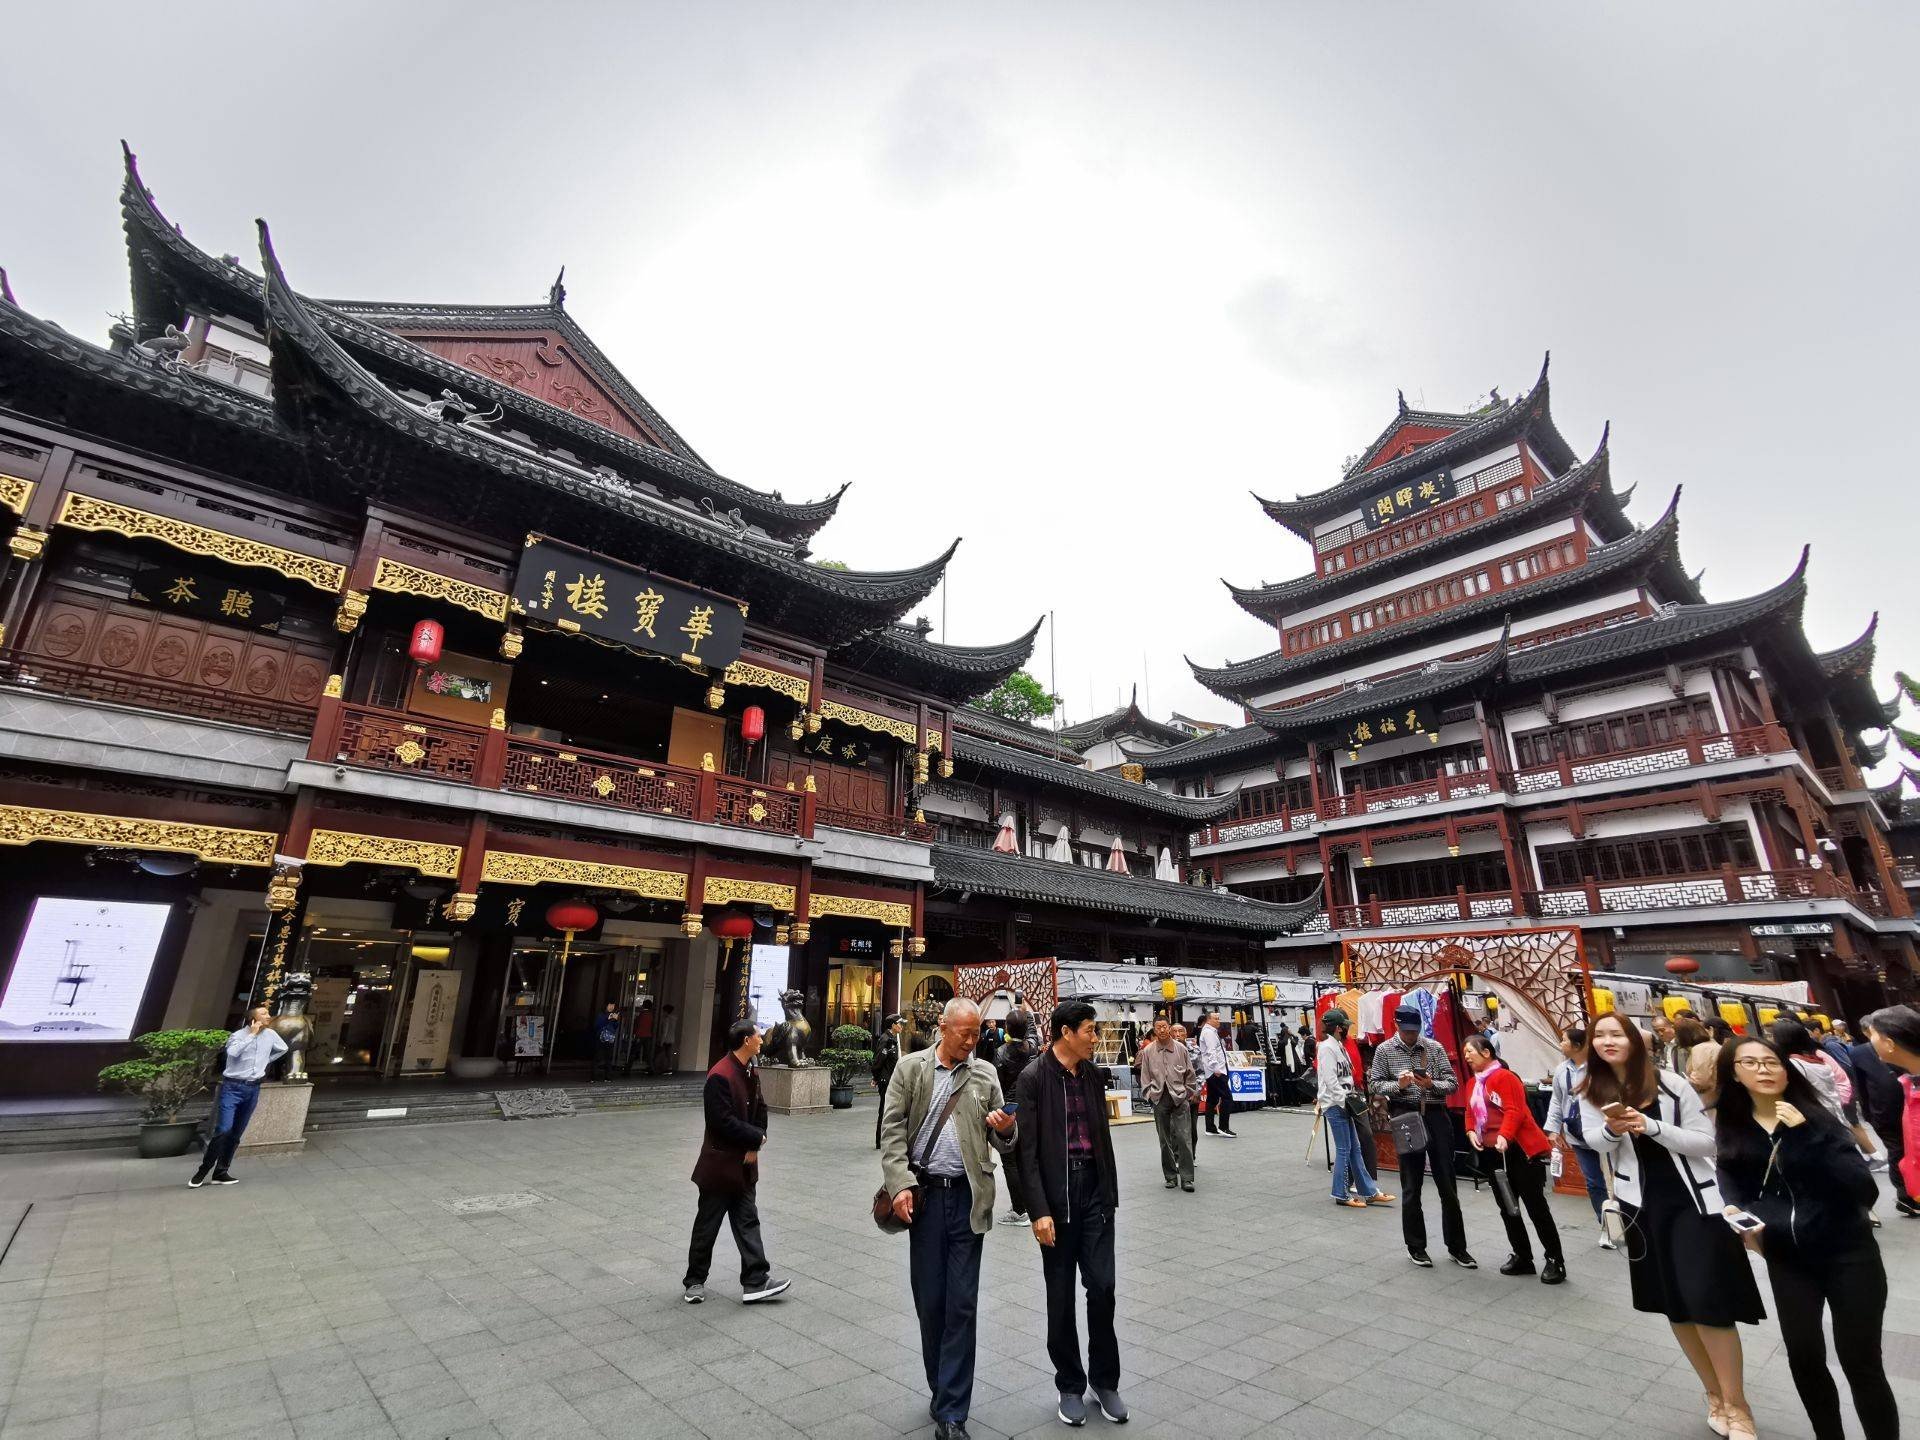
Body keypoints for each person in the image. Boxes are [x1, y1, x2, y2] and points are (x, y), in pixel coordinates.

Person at [1579, 1013, 1763, 1440]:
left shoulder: (1670, 1084)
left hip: (1693, 1204)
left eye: (1616, 1034)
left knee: (1707, 1301)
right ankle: (1713, 1395)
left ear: (1634, 1041)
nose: (1607, 1041)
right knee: (1675, 1305)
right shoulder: (1591, 1091)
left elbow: (1706, 1142)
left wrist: (1653, 1127)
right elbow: (1592, 1142)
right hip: (1641, 1206)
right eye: (1599, 1036)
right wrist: (1610, 1130)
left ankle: (1738, 1406)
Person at [1715, 1036, 1897, 1440]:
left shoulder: (1819, 1120)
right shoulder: (1733, 1125)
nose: (1764, 1069)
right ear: (1734, 1073)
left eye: (1772, 1062)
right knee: (1804, 1356)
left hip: (1850, 1254)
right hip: (1788, 1259)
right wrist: (1734, 1208)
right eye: (1752, 1063)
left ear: (1786, 1069)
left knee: (1860, 1361)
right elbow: (1731, 1173)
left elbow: (1863, 1190)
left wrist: (1806, 1135)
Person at [879, 997, 1019, 1440]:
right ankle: (941, 1388)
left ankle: (953, 1410)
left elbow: (1005, 1141)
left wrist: (1004, 1128)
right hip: (924, 1200)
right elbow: (893, 1129)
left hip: (967, 1199)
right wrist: (900, 1183)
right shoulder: (911, 1069)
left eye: (977, 1034)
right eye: (965, 1034)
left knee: (962, 1303)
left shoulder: (985, 1074)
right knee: (931, 1303)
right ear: (943, 1027)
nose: (973, 1041)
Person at [1014, 1000, 1127, 1428]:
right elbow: (1026, 1152)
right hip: (1057, 1201)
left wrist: (1109, 1192)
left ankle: (1105, 1379)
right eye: (1090, 1030)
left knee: (1102, 1288)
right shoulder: (1033, 1078)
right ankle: (1070, 1383)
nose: (1095, 1038)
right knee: (1059, 1296)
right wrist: (1037, 1210)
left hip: (1095, 1192)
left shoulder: (1094, 1077)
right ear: (1066, 1033)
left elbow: (1101, 1137)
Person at [682, 1019, 790, 1306]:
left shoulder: (750, 1070)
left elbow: (761, 1109)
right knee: (707, 1224)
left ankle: (755, 1281)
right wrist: (754, 1139)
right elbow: (720, 1122)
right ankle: (694, 1280)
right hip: (720, 1166)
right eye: (758, 1035)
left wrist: (758, 1139)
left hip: (744, 1164)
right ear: (746, 1041)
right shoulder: (720, 1075)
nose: (762, 1039)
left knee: (747, 1221)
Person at [1369, 1003, 1473, 1269]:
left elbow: (1452, 1083)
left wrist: (1431, 1084)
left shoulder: (1434, 1048)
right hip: (1406, 1114)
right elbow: (1375, 1084)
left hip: (1436, 1114)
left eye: (1414, 1031)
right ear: (1396, 1026)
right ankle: (1416, 1247)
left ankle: (1457, 1247)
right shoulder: (1384, 1050)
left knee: (1447, 1184)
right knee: (1411, 1184)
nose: (1411, 1036)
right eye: (1406, 1031)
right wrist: (1399, 1085)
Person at [1461, 1034, 1563, 1283]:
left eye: (1470, 1052)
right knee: (1508, 1207)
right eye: (1465, 1053)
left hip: (1520, 1150)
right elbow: (1470, 1113)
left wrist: (1505, 1135)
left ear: (1486, 1053)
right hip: (1493, 1152)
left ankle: (1554, 1260)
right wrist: (1471, 1130)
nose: (1466, 1057)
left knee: (1536, 1207)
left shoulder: (1505, 1077)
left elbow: (1514, 1111)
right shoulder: (1472, 1084)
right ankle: (1522, 1256)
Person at [189, 1005, 289, 1188]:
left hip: (253, 1089)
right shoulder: (238, 1036)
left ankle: (221, 1171)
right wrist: (252, 1034)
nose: (269, 1016)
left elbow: (283, 1048)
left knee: (235, 1134)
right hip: (232, 1087)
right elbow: (233, 1053)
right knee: (223, 1129)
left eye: (268, 1013)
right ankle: (204, 1169)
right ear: (253, 1019)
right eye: (264, 1014)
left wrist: (266, 1061)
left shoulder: (271, 1035)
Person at [1545, 1026, 1613, 1248]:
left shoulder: (1599, 1067)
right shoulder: (1562, 1070)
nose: (1561, 1044)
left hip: (1606, 1132)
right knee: (1594, 1182)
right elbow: (1557, 1100)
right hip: (1577, 1133)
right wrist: (1554, 1128)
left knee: (1617, 1180)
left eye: (1564, 1040)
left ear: (1577, 1045)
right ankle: (1607, 1227)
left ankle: (1628, 1220)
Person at [1317, 1009, 1391, 1210]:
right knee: (1344, 1149)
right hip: (1337, 1104)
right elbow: (1330, 1080)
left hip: (1345, 1101)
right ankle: (1341, 1193)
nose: (1348, 1028)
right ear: (1339, 1028)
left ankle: (1369, 1191)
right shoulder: (1326, 1048)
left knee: (1354, 1148)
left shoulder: (1338, 1046)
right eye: (1345, 1025)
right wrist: (1345, 1102)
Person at [1850, 1023, 1916, 1215]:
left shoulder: (1903, 1046)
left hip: (1904, 1107)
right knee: (1898, 1152)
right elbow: (1860, 1086)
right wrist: (1868, 1113)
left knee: (1908, 1151)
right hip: (1885, 1113)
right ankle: (1905, 1196)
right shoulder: (1859, 1053)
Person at [1136, 1015, 1198, 1192]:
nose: (1162, 1030)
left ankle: (1187, 1178)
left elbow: (1190, 1073)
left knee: (1184, 1138)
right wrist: (1149, 1094)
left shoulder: (1180, 1049)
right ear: (1154, 1029)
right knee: (1164, 1140)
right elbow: (1145, 1076)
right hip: (1159, 1097)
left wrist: (1187, 1092)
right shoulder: (1148, 1052)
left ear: (1169, 1028)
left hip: (1179, 1097)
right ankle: (1170, 1176)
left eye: (1164, 1026)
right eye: (1158, 1027)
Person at [995, 1011, 1039, 1224]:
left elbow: (997, 1086)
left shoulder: (1001, 1052)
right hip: (1030, 1109)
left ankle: (1019, 1210)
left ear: (1007, 1029)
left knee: (1010, 1161)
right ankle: (1031, 1204)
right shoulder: (1032, 1048)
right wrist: (1026, 1014)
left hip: (1010, 1110)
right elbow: (1034, 1034)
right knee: (1027, 1159)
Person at [1198, 1011, 1236, 1138]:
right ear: (1209, 1020)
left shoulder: (1210, 1031)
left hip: (1213, 1071)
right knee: (1227, 1097)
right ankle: (1223, 1127)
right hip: (1216, 1071)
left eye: (1219, 1018)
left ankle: (1210, 1127)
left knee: (1212, 1099)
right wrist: (1216, 1068)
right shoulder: (1208, 1032)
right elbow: (1211, 1051)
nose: (1218, 1021)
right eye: (1216, 1018)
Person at [873, 1013, 904, 1150]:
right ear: (893, 1025)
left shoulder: (892, 1038)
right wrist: (875, 1077)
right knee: (884, 1109)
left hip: (891, 1079)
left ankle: (885, 1139)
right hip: (886, 1079)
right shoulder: (886, 1039)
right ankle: (880, 1141)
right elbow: (878, 1060)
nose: (901, 1026)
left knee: (889, 1109)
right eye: (899, 1024)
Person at [1687, 1018, 1729, 1108]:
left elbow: (1701, 1080)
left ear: (1710, 1029)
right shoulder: (1733, 1042)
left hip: (1715, 1097)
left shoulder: (1704, 1048)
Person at [591, 1002, 621, 1081]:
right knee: (597, 1058)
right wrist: (607, 1020)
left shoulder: (613, 1015)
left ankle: (607, 1077)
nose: (611, 1007)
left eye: (613, 1005)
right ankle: (594, 1077)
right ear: (606, 1006)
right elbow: (596, 1026)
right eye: (610, 1005)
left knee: (608, 1059)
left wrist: (615, 1020)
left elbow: (615, 1027)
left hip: (609, 1039)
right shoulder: (601, 1015)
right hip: (600, 1039)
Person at [655, 1003, 679, 1074]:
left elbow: (664, 1031)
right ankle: (669, 1067)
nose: (663, 1012)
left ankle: (656, 1066)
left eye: (664, 1011)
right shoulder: (674, 1019)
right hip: (671, 1039)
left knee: (660, 1053)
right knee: (668, 1054)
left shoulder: (666, 1019)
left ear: (666, 1011)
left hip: (665, 1039)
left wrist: (661, 1041)